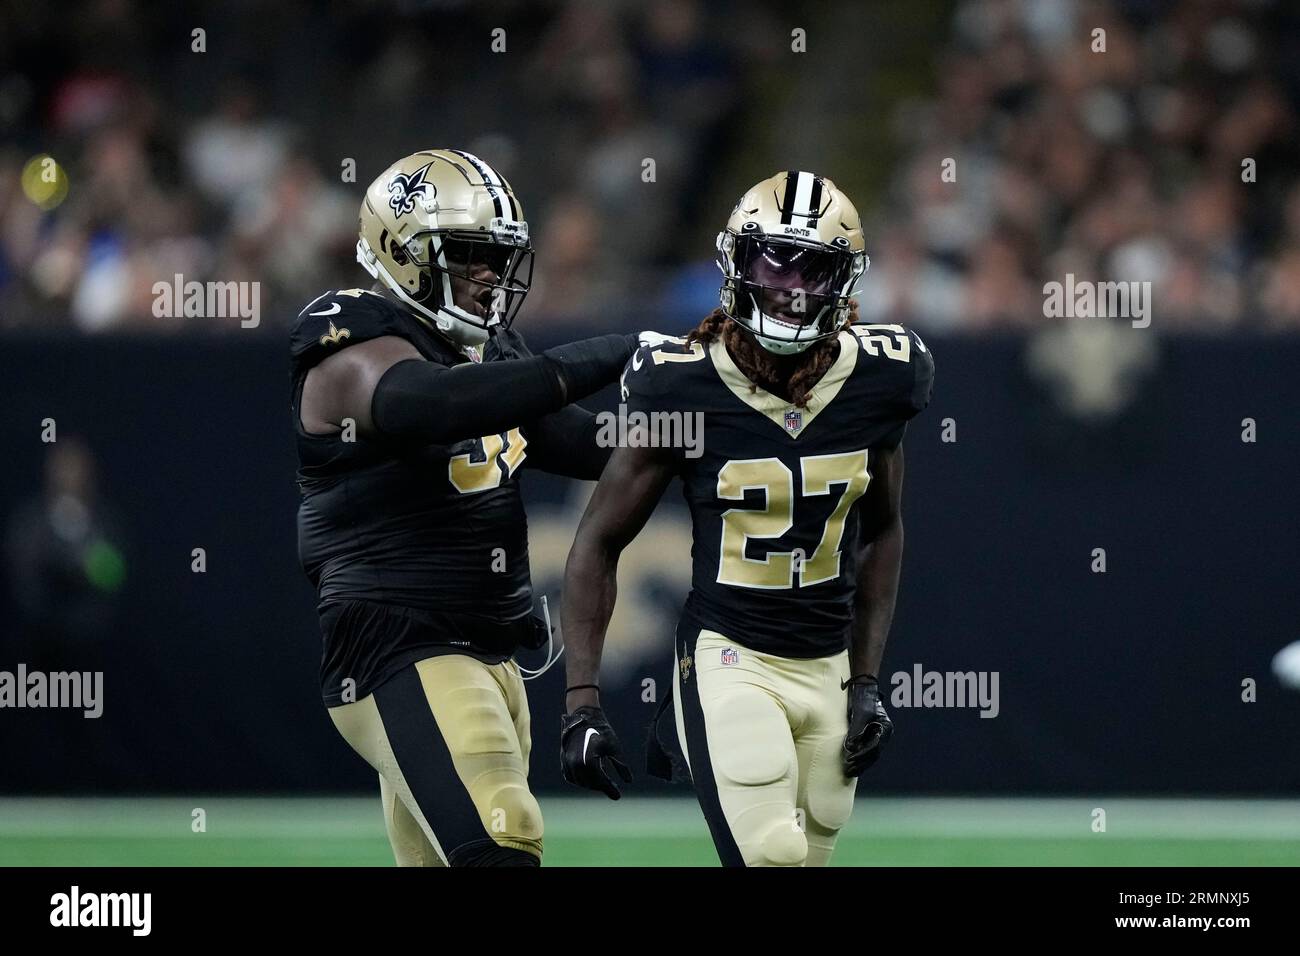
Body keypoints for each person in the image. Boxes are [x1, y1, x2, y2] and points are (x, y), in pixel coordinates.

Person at [558, 171, 934, 866]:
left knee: (807, 852)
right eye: (772, 262)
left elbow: (882, 530)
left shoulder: (882, 378)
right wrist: (582, 701)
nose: (789, 288)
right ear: (736, 263)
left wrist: (867, 680)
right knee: (772, 856)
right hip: (730, 655)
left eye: (812, 269)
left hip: (826, 664)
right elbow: (598, 541)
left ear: (845, 280)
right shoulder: (684, 382)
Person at [291, 148, 636, 866]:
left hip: (490, 654)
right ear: (403, 250)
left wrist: (706, 427)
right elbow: (430, 404)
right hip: (400, 645)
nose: (490, 277)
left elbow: (591, 445)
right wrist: (627, 348)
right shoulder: (353, 338)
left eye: (498, 258)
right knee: (504, 839)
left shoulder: (484, 355)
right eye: (471, 255)